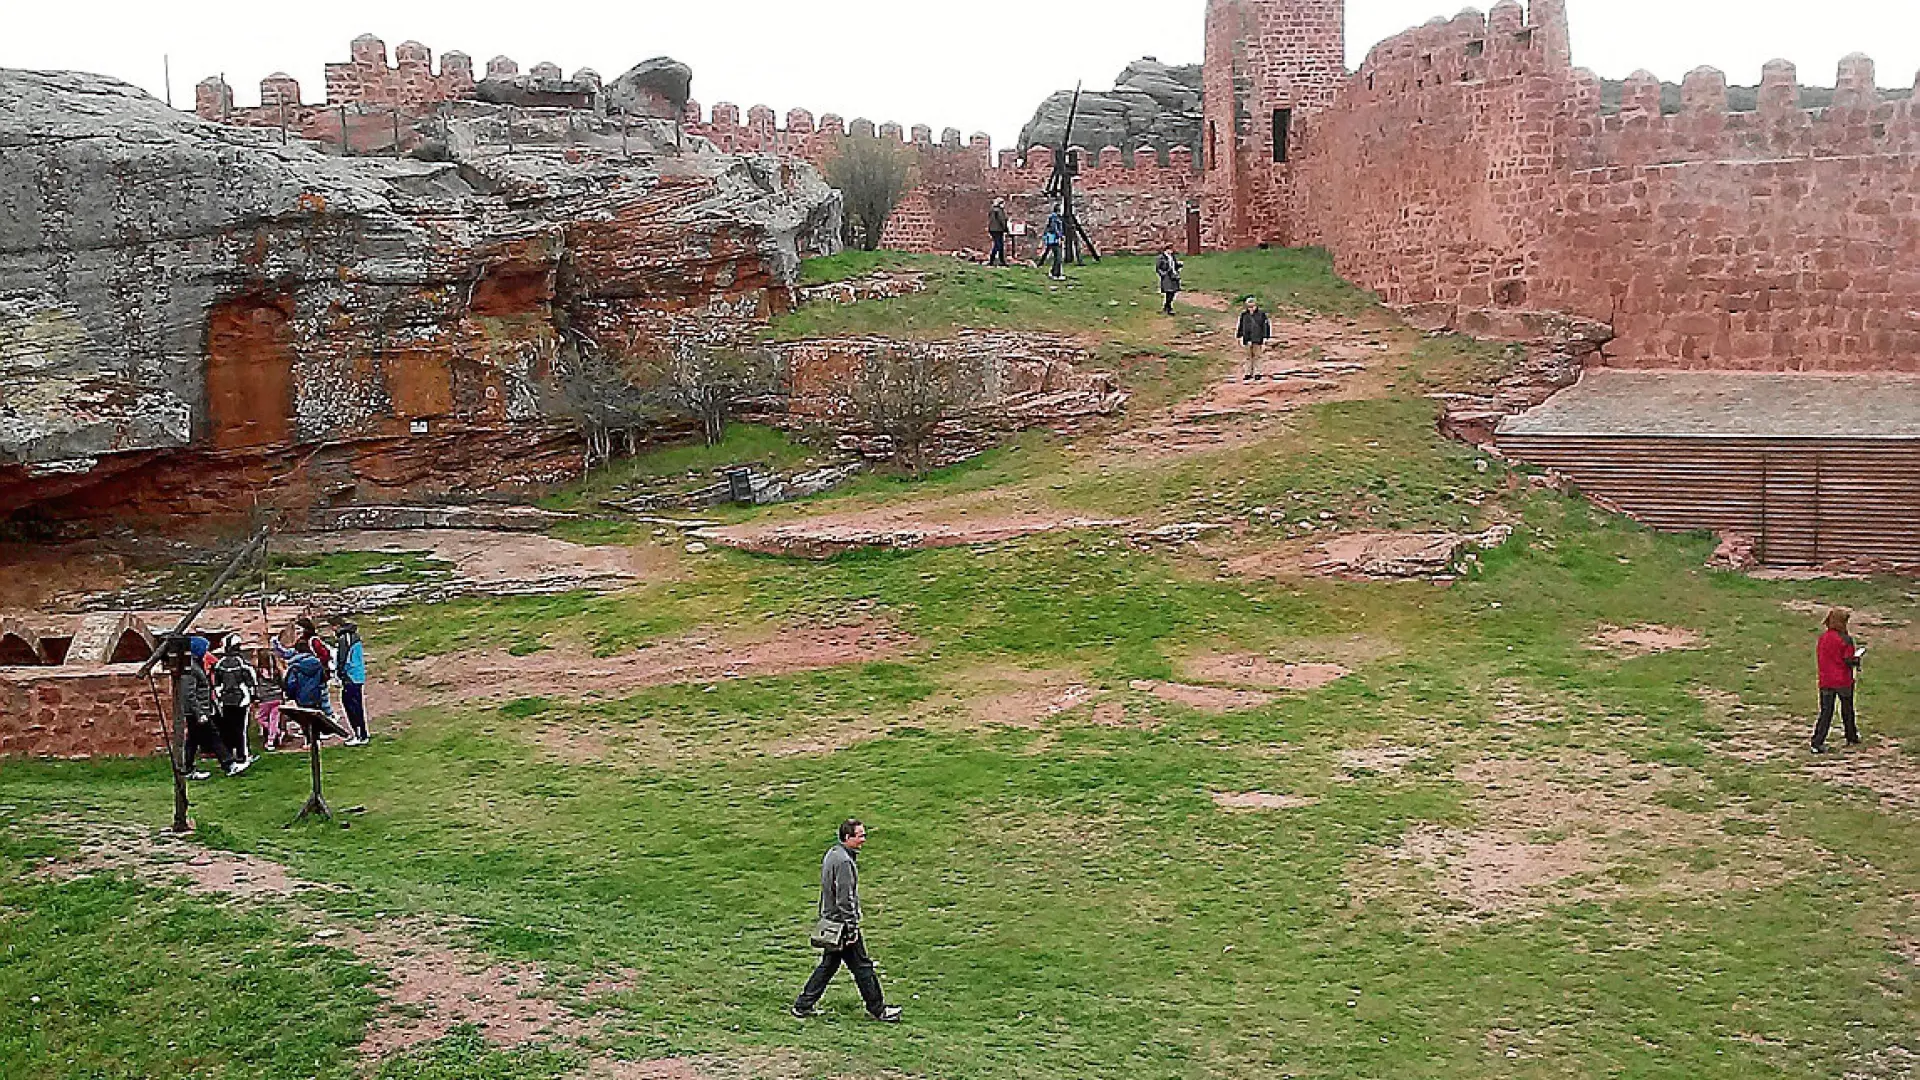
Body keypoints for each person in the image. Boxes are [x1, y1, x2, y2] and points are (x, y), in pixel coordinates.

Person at [791, 819, 903, 1023]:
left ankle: (803, 1005)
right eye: (860, 835)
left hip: (832, 922)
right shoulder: (844, 862)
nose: (864, 839)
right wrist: (852, 928)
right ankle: (878, 1010)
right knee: (862, 967)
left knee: (829, 966)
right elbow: (845, 898)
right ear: (847, 838)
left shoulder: (833, 854)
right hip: (842, 925)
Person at [183, 637, 245, 779]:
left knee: (193, 740)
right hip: (197, 711)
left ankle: (187, 768)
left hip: (200, 710)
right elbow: (189, 694)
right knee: (213, 736)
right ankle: (229, 764)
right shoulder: (190, 668)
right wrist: (200, 713)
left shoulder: (194, 665)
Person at [1812, 608, 1865, 753]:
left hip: (1826, 680)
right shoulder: (1845, 639)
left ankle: (1817, 741)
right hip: (1843, 680)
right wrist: (1857, 659)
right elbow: (1848, 660)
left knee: (1826, 712)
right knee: (1847, 709)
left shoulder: (1823, 638)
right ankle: (1851, 735)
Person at [211, 637, 259, 766]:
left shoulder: (220, 664)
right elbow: (251, 682)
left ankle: (229, 756)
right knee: (240, 729)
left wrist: (220, 698)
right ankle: (242, 756)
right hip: (241, 700)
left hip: (225, 701)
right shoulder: (242, 663)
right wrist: (253, 696)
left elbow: (216, 685)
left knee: (227, 728)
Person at [333, 618, 370, 747]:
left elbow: (343, 658)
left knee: (351, 706)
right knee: (357, 705)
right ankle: (362, 733)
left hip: (351, 676)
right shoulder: (354, 637)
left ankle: (359, 734)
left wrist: (340, 673)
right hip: (357, 676)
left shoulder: (345, 639)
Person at [1237, 297, 1272, 380]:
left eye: (1252, 306)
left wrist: (1266, 337)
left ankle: (1258, 372)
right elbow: (1241, 326)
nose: (1251, 308)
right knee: (1248, 356)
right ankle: (1248, 373)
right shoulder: (1244, 315)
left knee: (1257, 356)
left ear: (1256, 306)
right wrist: (1239, 336)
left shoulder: (1261, 314)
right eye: (1249, 306)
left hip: (1257, 338)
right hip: (1247, 338)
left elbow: (1265, 326)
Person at [1039, 208, 1066, 281]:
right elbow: (1054, 228)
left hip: (1054, 239)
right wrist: (1060, 236)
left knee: (1058, 257)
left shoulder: (1054, 217)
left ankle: (1056, 272)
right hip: (1055, 240)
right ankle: (1055, 273)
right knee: (1058, 257)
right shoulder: (1054, 218)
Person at [1156, 247, 1183, 315]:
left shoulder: (1172, 257)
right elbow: (1158, 268)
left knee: (1174, 291)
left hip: (1174, 276)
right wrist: (1163, 274)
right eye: (1169, 250)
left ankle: (1167, 306)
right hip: (1167, 276)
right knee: (1169, 291)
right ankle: (1168, 307)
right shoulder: (1161, 257)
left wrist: (1179, 265)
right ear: (1166, 250)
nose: (1171, 251)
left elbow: (1175, 265)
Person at [987, 199, 1010, 267]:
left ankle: (999, 261)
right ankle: (994, 260)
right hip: (998, 230)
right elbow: (1002, 220)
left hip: (992, 230)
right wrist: (1006, 228)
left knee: (998, 245)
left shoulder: (992, 210)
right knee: (998, 245)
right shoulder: (999, 211)